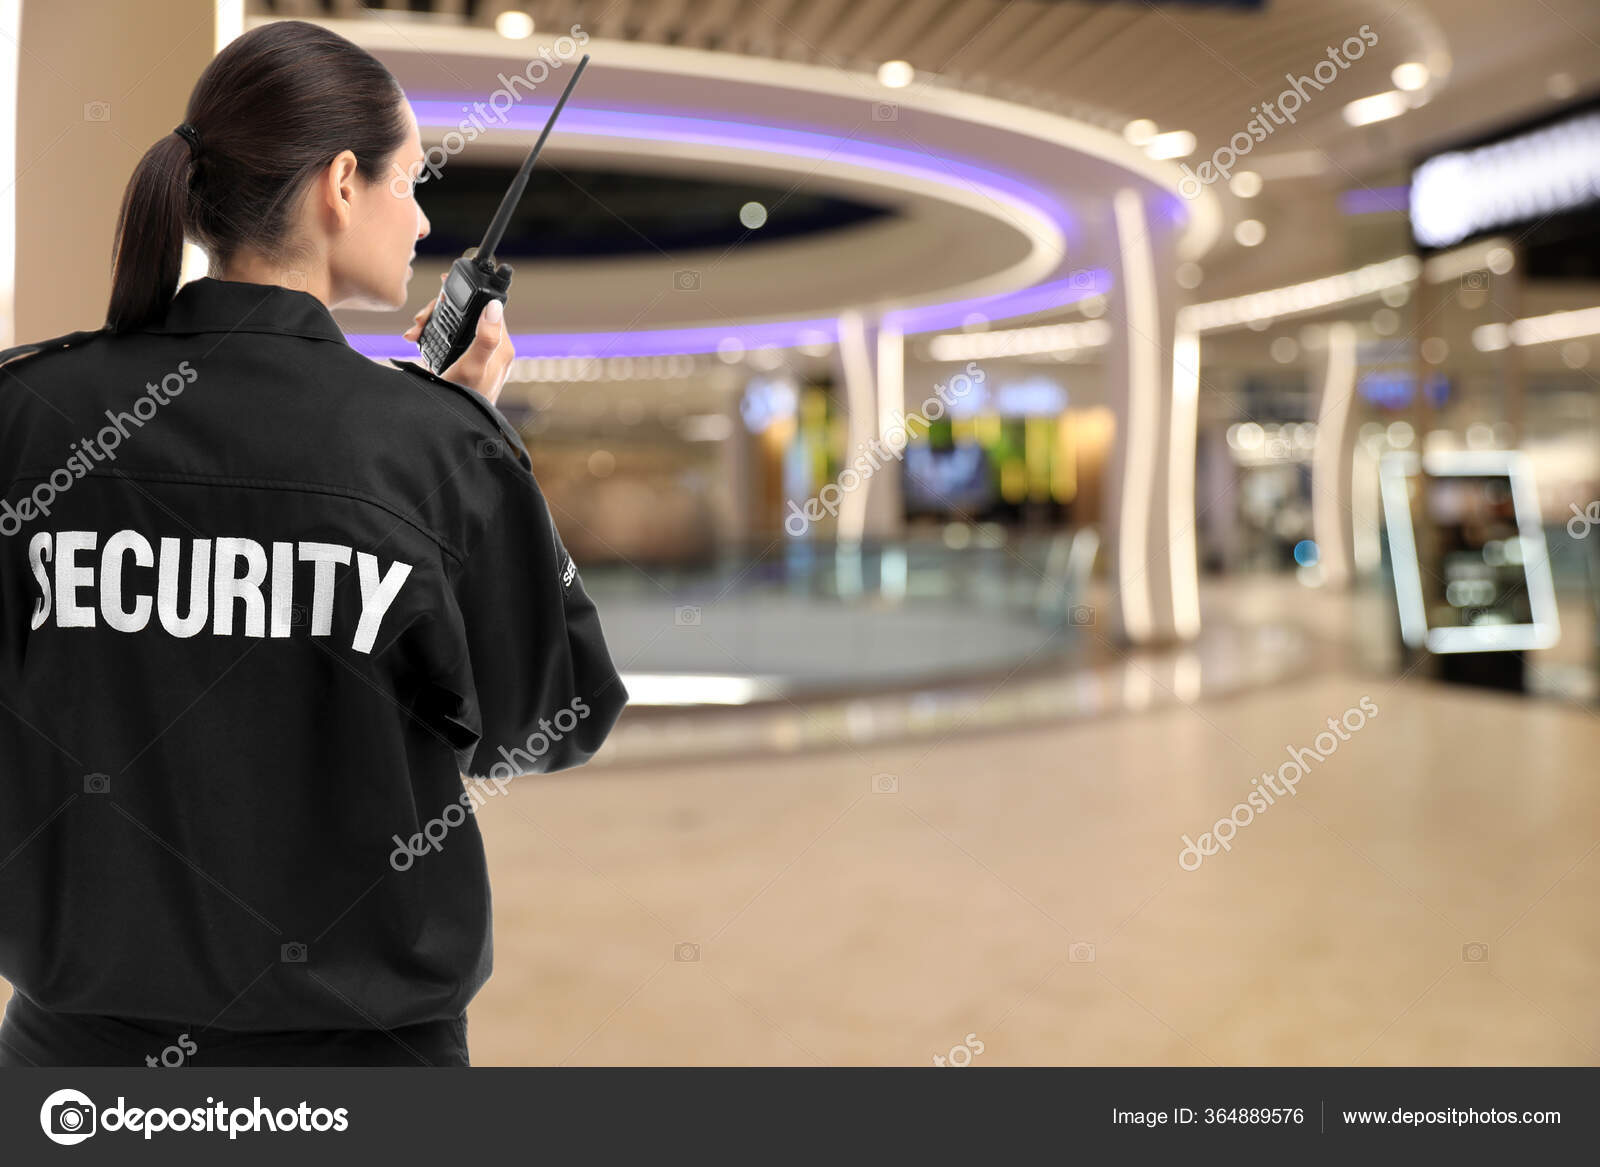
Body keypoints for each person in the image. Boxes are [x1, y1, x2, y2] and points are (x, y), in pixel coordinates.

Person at [0, 19, 626, 1067]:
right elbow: (551, 722)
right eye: (410, 181)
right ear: (342, 182)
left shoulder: (26, 415)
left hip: (72, 1062)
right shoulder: (431, 452)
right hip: (365, 1061)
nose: (422, 217)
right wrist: (477, 443)